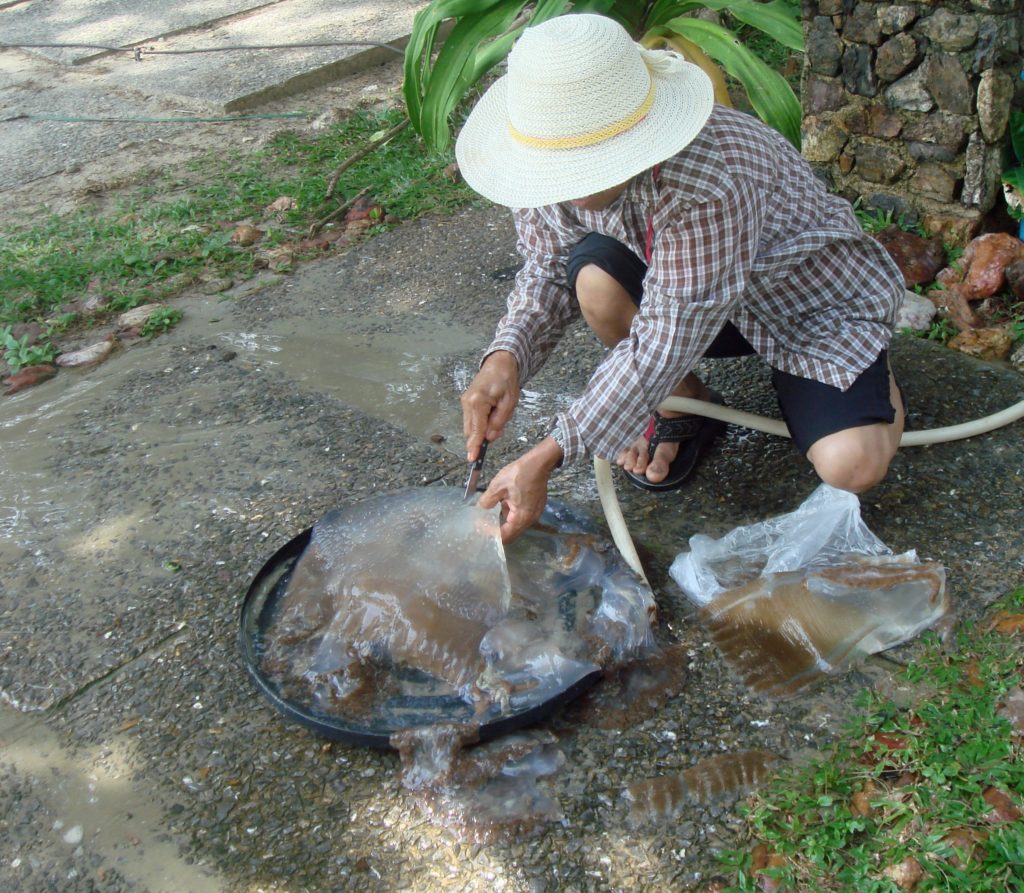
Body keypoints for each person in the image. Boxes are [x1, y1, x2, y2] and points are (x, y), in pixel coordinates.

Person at [455, 13, 905, 544]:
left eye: (583, 164)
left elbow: (667, 335)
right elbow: (549, 267)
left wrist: (550, 453)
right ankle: (686, 400)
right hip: (690, 297)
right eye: (556, 165)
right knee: (593, 283)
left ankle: (864, 374)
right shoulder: (540, 163)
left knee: (850, 466)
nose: (565, 187)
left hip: (807, 305)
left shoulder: (710, 177)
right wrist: (504, 359)